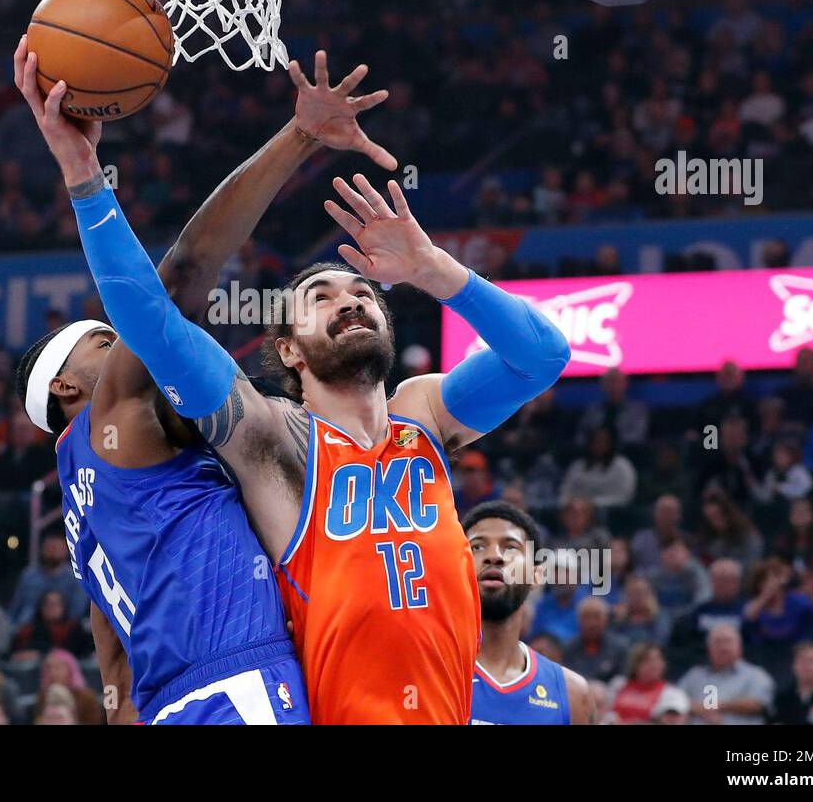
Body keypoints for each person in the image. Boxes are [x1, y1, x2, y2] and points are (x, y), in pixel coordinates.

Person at [31, 42, 569, 723]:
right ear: (287, 349)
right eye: (320, 296)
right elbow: (149, 315)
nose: (349, 299)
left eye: (363, 291)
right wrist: (84, 174)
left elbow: (543, 356)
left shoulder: (423, 418)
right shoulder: (269, 438)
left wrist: (436, 269)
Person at [12, 44, 398, 725]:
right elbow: (184, 272)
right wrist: (299, 135)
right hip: (238, 685)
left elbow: (115, 675)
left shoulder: (84, 516)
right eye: (106, 341)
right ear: (70, 389)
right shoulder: (116, 413)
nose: (125, 343)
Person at [463, 500, 592, 724]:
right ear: (457, 568)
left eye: (511, 547)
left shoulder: (573, 695)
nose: (494, 556)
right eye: (477, 547)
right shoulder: (425, 675)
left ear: (537, 575)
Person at [677, 624, 776, 725]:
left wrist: (715, 706)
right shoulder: (694, 675)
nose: (723, 647)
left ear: (739, 647)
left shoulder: (755, 675)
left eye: (727, 641)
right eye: (717, 642)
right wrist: (697, 709)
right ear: (708, 648)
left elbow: (758, 704)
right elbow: (674, 700)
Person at [769, 642, 813, 725]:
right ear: (793, 666)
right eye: (802, 660)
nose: (806, 665)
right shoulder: (781, 698)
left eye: (812, 661)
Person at [607, 643, 670, 724]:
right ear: (635, 664)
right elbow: (604, 712)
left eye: (658, 660)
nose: (654, 665)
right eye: (648, 661)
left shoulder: (670, 693)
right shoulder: (618, 684)